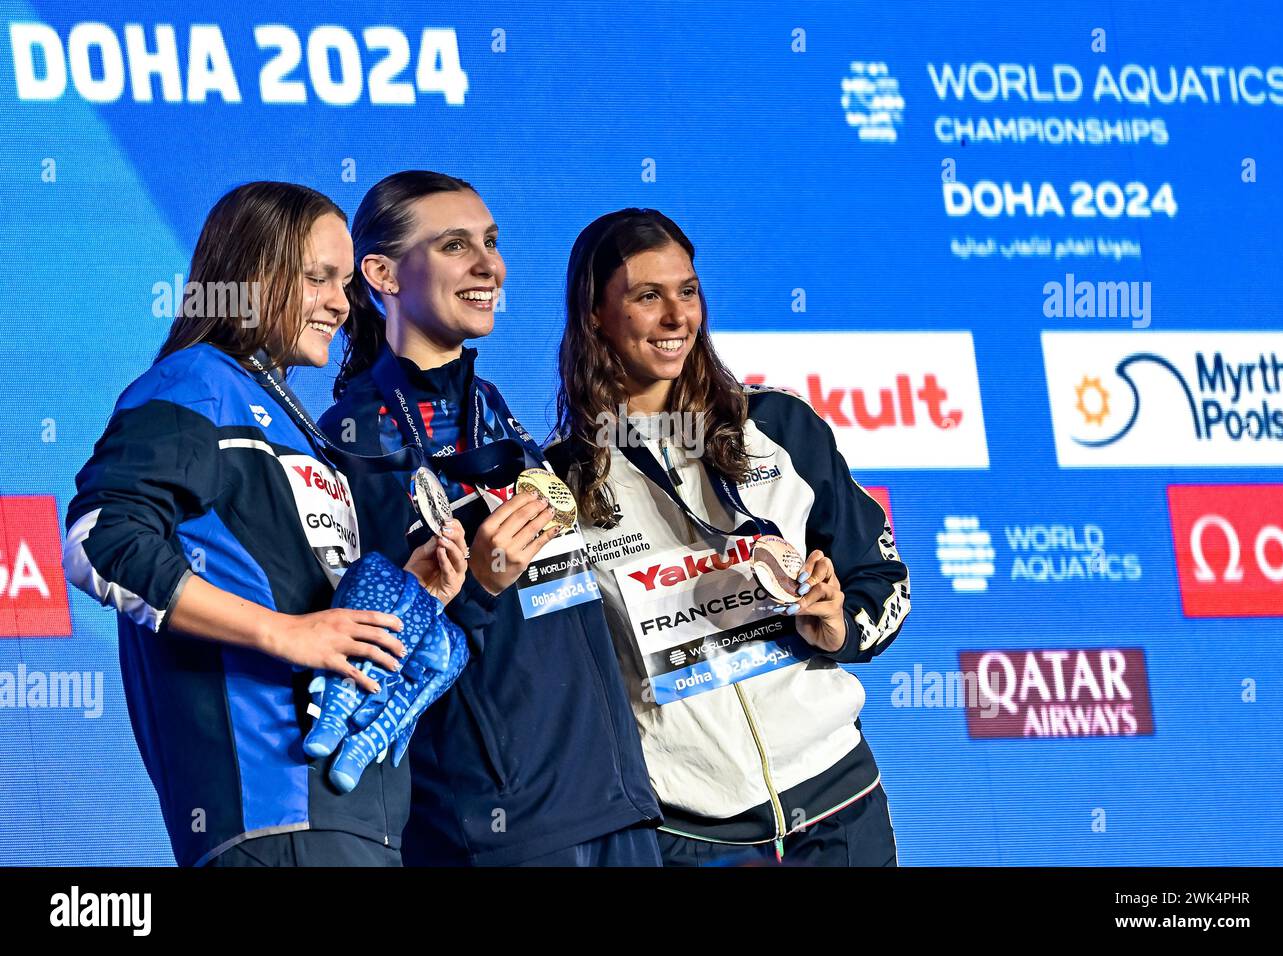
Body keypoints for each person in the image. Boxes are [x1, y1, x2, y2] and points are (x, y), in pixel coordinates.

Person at [62, 181, 467, 867]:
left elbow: (298, 588)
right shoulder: (195, 382)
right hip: (269, 812)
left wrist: (413, 592)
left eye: (344, 282)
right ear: (250, 277)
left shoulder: (287, 418)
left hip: (357, 819)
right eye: (318, 278)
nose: (341, 304)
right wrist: (285, 634)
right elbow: (100, 540)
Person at [549, 208, 911, 866]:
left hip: (839, 803)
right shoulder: (560, 481)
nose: (676, 317)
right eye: (646, 296)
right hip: (694, 833)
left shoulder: (779, 425)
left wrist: (842, 626)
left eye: (687, 291)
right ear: (595, 313)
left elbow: (882, 577)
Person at [319, 171, 662, 866]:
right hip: (499, 826)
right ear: (381, 273)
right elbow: (373, 654)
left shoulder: (492, 406)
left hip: (612, 799)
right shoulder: (352, 437)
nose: (489, 265)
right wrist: (477, 586)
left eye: (492, 242)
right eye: (454, 245)